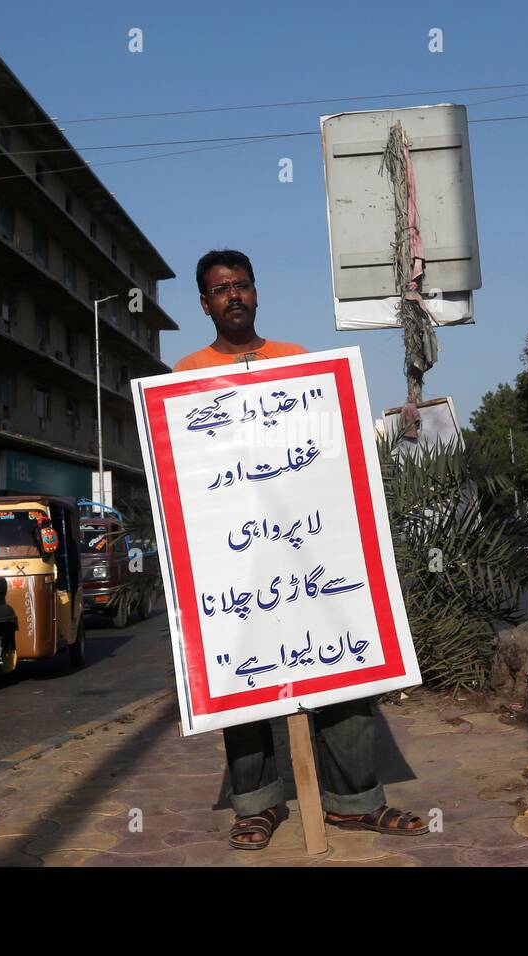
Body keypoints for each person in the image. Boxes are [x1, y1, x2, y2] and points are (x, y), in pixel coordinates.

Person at [175, 249, 429, 850]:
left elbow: (330, 450)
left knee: (342, 669)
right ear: (205, 302)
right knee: (243, 684)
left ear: (256, 292)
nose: (232, 295)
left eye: (241, 285)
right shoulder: (186, 376)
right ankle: (258, 806)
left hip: (310, 547)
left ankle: (354, 802)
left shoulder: (300, 364)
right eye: (219, 289)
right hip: (238, 563)